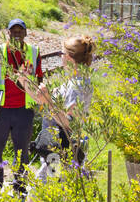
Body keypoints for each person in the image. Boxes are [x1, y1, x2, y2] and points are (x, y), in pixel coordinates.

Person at [0, 18, 43, 192]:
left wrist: (39, 101)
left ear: (25, 33)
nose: (17, 33)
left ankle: (19, 186)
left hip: (24, 110)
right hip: (1, 109)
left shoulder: (33, 52)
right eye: (13, 30)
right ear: (8, 32)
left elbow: (39, 79)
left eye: (20, 30)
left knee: (22, 150)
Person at [32, 34, 96, 165]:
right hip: (56, 150)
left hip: (61, 153)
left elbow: (68, 122)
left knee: (52, 184)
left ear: (68, 58)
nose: (60, 57)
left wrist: (48, 102)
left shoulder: (77, 86)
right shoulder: (75, 82)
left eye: (61, 53)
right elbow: (42, 101)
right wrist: (24, 80)